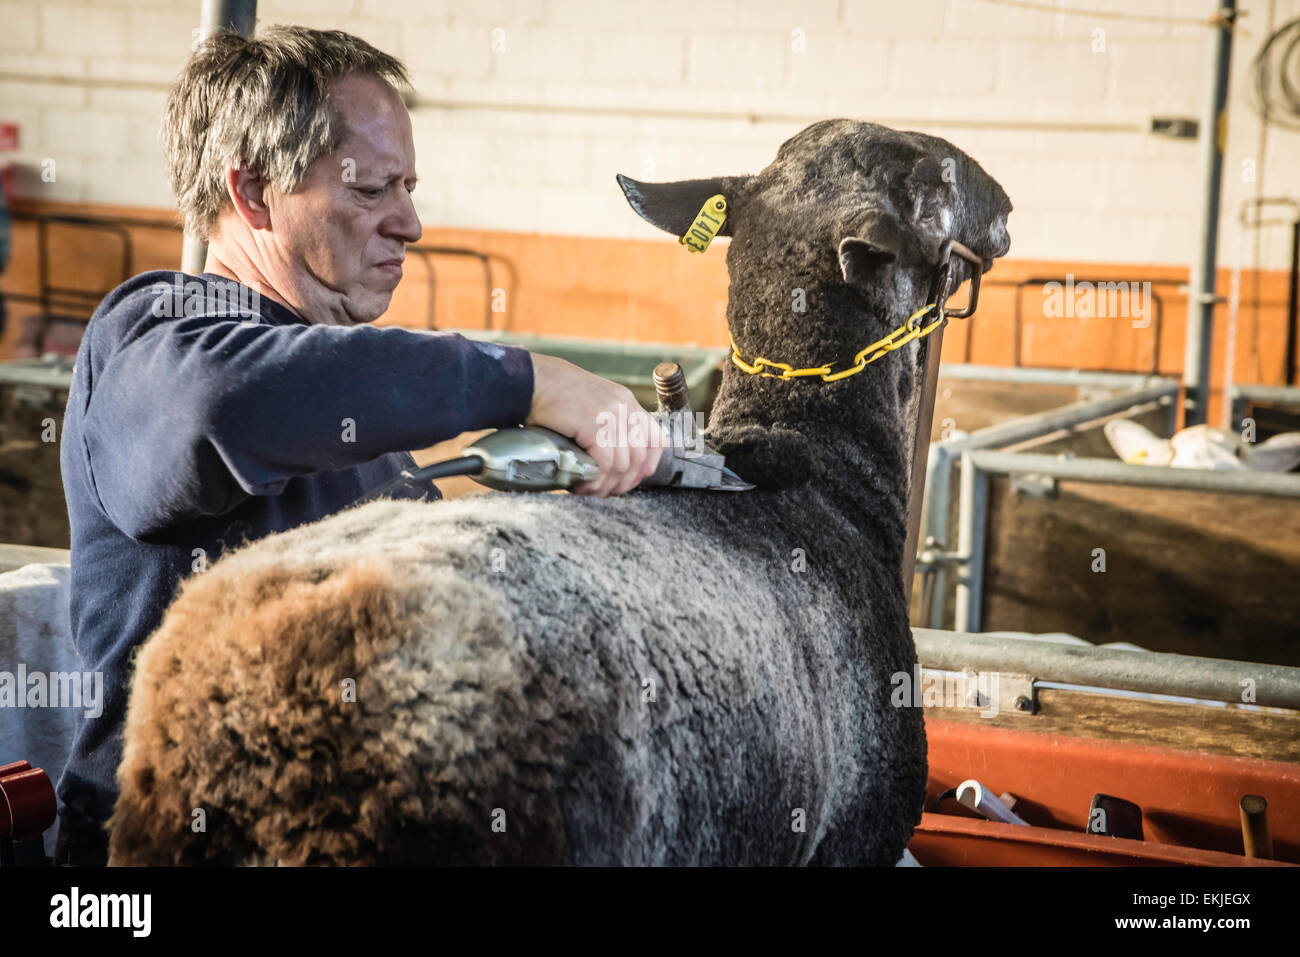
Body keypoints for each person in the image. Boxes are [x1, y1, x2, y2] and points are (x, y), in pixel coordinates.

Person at [54, 26, 661, 865]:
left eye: (408, 186)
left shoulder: (368, 429)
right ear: (256, 192)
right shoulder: (153, 336)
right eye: (373, 187)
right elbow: (216, 407)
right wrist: (534, 381)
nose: (410, 223)